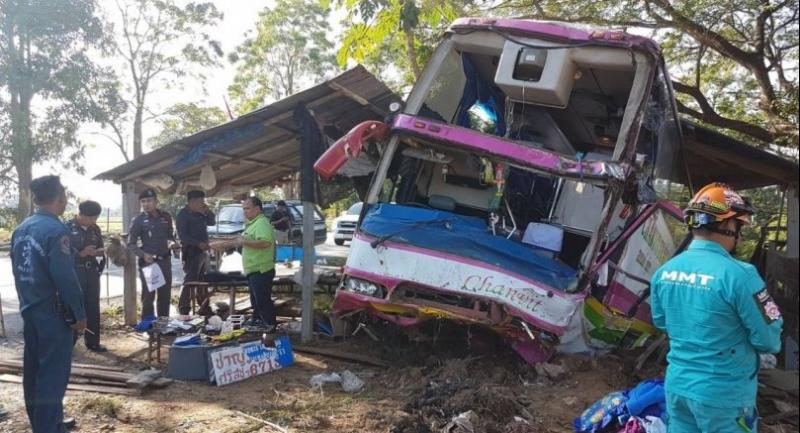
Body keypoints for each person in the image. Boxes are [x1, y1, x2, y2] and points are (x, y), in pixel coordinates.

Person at [650, 182, 783, 433]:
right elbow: (769, 340)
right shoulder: (741, 275)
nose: (740, 233)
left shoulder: (664, 272)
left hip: (678, 387)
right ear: (727, 225)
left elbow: (661, 322)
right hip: (724, 396)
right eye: (739, 225)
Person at [10, 175, 86, 433]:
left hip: (30, 312)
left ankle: (47, 423)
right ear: (60, 197)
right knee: (52, 377)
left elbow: (19, 274)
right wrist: (79, 314)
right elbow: (65, 279)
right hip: (54, 316)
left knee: (34, 374)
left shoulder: (21, 229)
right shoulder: (55, 231)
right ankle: (48, 428)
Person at [127, 188, 177, 322]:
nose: (146, 204)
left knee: (165, 295)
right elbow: (130, 244)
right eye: (143, 202)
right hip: (149, 263)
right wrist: (143, 255)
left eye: (149, 201)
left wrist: (173, 243)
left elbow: (170, 237)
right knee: (149, 296)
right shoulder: (138, 220)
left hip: (165, 261)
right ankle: (148, 326)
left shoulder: (166, 217)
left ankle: (163, 325)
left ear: (156, 201)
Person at [66, 200, 106, 352]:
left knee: (93, 306)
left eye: (96, 218)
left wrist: (98, 252)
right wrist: (81, 253)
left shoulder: (95, 229)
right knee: (74, 306)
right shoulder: (66, 228)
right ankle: (70, 342)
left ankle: (93, 342)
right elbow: (62, 253)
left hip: (92, 272)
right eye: (91, 218)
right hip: (75, 271)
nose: (93, 221)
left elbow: (101, 247)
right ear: (80, 214)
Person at [235, 196, 276, 331]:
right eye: (243, 209)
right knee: (257, 302)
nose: (245, 212)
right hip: (253, 269)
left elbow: (265, 243)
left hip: (261, 269)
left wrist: (244, 242)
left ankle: (270, 327)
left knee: (263, 301)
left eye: (247, 208)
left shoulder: (262, 223)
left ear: (257, 209)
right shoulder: (253, 223)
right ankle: (258, 322)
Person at [176, 190, 215, 316]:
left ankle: (204, 306)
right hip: (191, 252)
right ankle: (184, 308)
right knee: (190, 279)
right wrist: (198, 243)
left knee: (202, 280)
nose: (202, 204)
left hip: (203, 251)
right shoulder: (183, 215)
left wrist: (208, 211)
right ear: (192, 202)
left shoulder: (201, 213)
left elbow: (212, 222)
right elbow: (182, 236)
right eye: (200, 201)